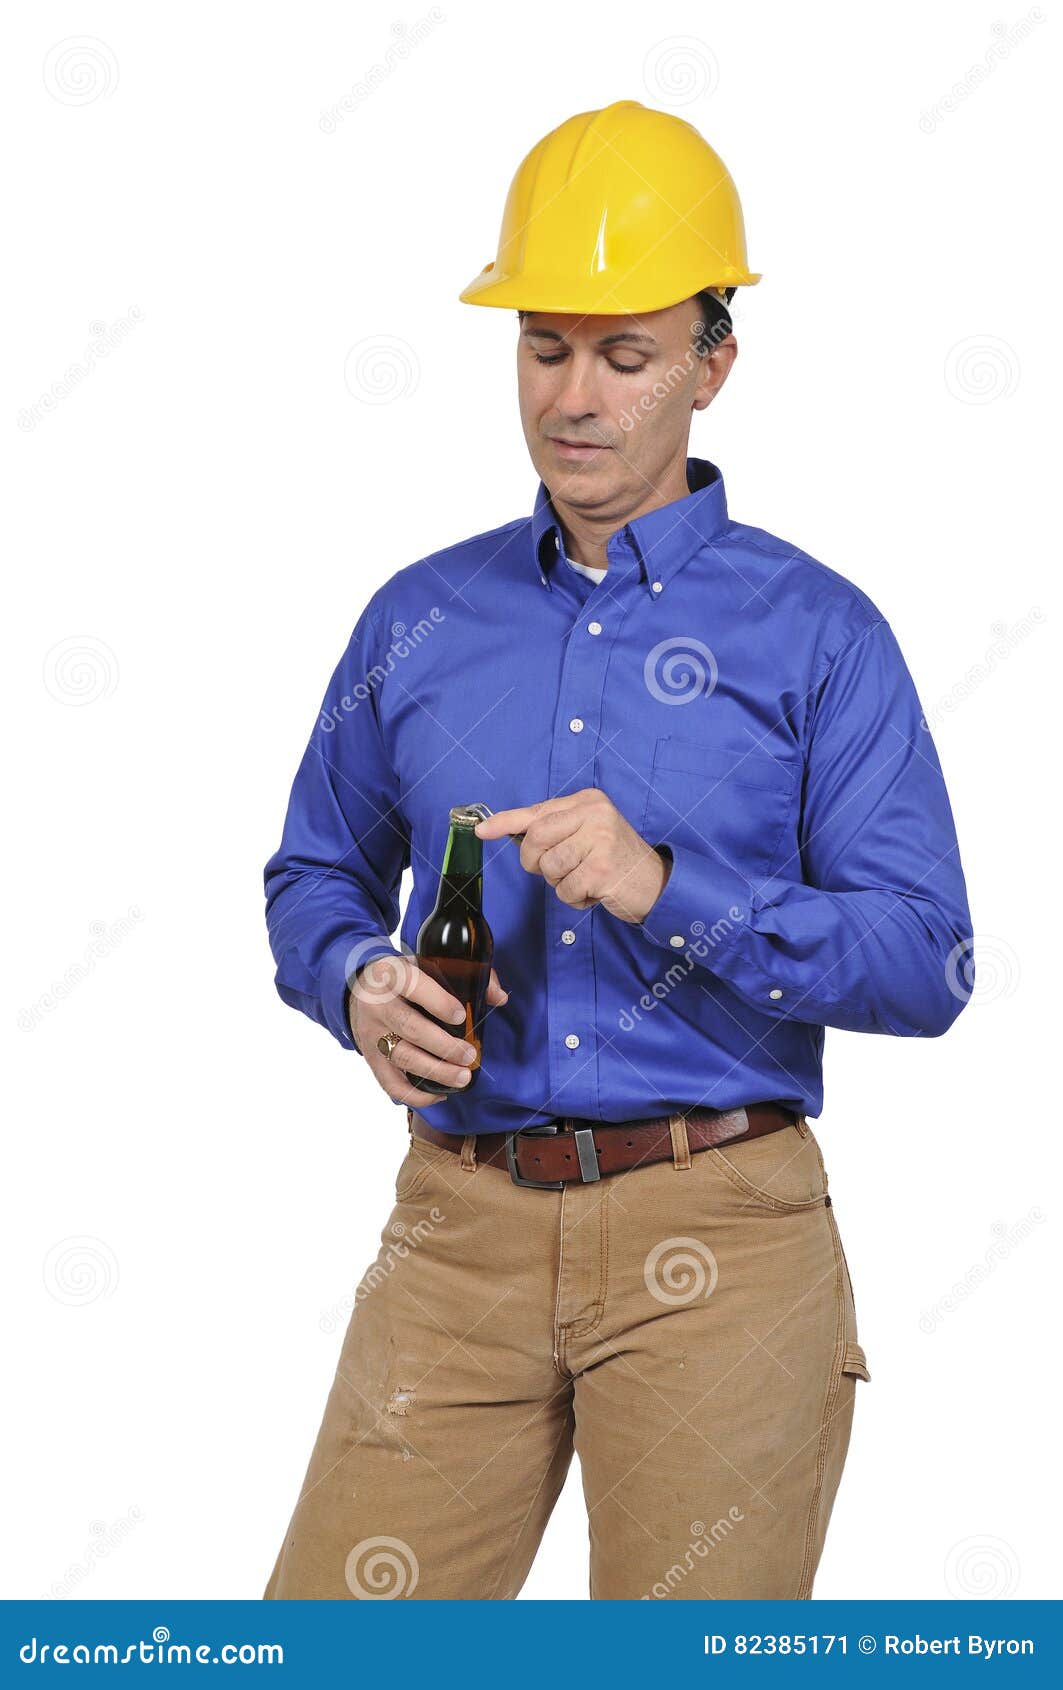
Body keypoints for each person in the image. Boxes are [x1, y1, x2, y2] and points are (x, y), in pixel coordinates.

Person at [261, 100, 972, 1601]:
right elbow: (314, 869)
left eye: (626, 355)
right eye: (545, 346)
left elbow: (926, 956)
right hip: (454, 1236)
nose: (573, 397)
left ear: (715, 364)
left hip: (718, 1242)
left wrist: (666, 888)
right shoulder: (420, 620)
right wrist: (355, 982)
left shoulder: (822, 636)